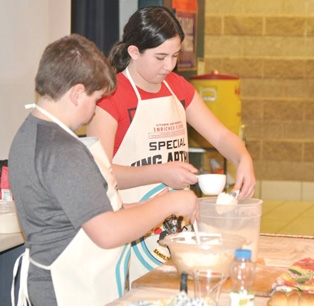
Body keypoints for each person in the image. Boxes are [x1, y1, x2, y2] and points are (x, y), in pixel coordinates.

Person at [8, 33, 198, 306]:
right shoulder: (62, 151)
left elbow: (90, 214)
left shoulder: (31, 132)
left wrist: (156, 205)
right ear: (75, 93)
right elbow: (107, 231)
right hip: (69, 289)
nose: (94, 112)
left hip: (56, 282)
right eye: (95, 100)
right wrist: (171, 201)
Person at [87, 6, 256, 282]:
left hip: (177, 229)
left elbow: (221, 136)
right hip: (127, 232)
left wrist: (243, 157)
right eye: (160, 57)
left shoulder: (177, 87)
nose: (169, 66)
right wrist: (160, 173)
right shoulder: (110, 98)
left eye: (175, 56)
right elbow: (99, 176)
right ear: (133, 52)